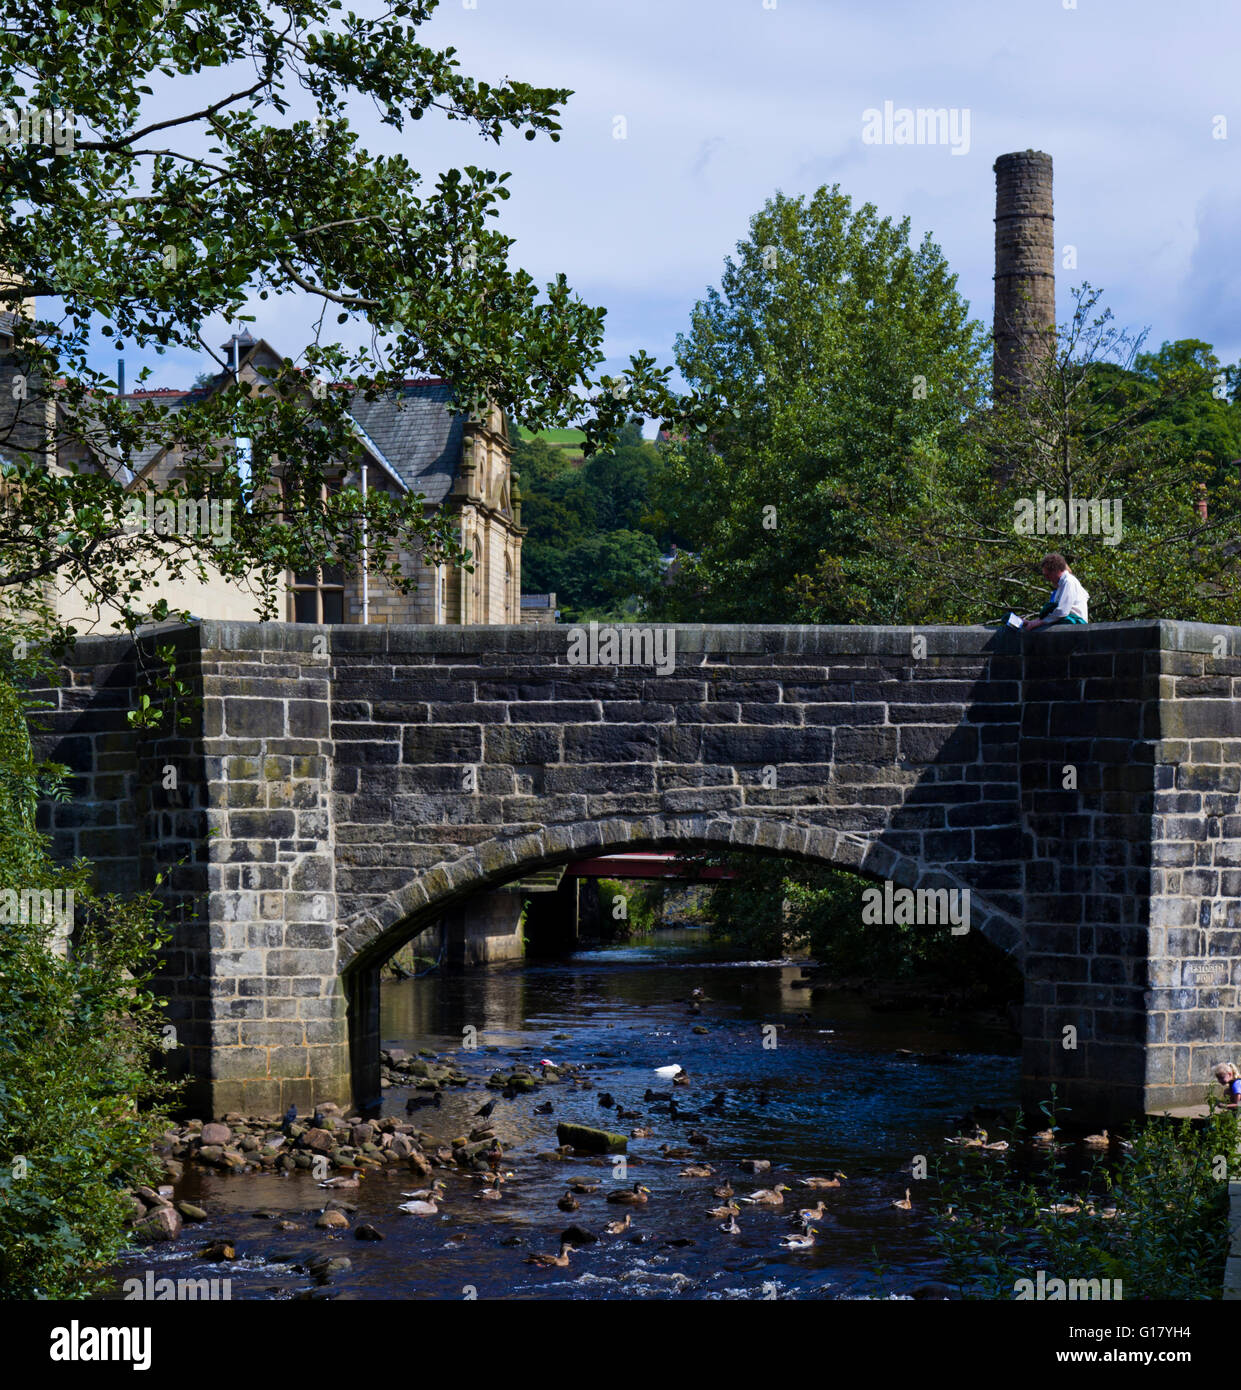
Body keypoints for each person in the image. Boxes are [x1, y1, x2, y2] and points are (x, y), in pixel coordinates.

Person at [1022, 553, 1088, 629]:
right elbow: (1053, 613)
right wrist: (1032, 622)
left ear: (1057, 571)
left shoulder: (1069, 581)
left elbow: (1062, 611)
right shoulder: (1061, 585)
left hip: (1076, 625)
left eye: (1048, 575)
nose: (1047, 578)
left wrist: (1039, 623)